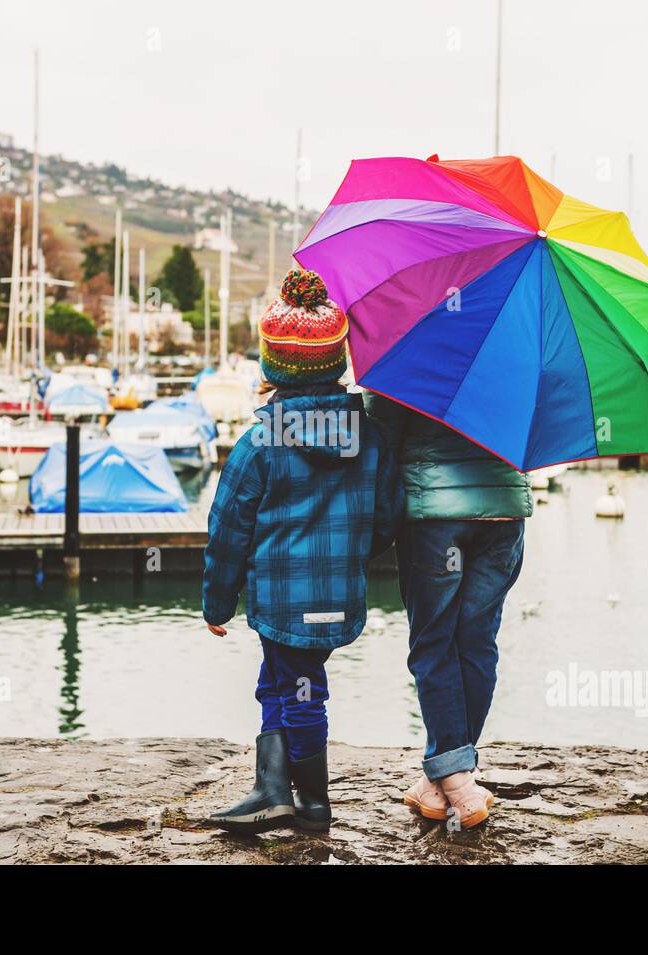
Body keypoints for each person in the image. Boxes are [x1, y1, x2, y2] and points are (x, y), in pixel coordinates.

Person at [203, 269, 403, 834]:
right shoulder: (370, 436)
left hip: (278, 597)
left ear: (272, 365)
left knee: (300, 692)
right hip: (338, 592)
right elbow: (388, 516)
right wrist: (349, 554)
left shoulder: (259, 442)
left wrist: (218, 604)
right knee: (282, 679)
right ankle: (272, 789)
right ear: (336, 360)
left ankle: (312, 805)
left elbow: (227, 533)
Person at [364, 391, 532, 829]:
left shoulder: (409, 349)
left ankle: (455, 779)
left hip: (434, 515)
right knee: (476, 643)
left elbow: (380, 441)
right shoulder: (523, 350)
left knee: (434, 642)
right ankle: (442, 778)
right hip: (503, 512)